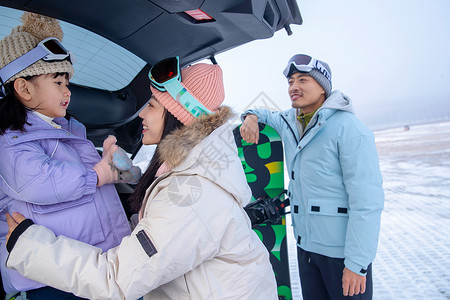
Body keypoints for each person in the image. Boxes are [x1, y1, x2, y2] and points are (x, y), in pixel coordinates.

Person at [5, 57, 279, 299]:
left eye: (151, 106)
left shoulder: (193, 194)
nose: (142, 114)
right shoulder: (185, 173)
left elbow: (117, 281)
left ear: (178, 114)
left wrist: (30, 247)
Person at [0, 12, 141, 299]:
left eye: (68, 83)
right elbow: (38, 180)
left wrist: (120, 167)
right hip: (50, 272)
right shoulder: (9, 138)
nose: (68, 91)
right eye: (58, 82)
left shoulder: (70, 133)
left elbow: (112, 179)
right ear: (24, 88)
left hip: (96, 259)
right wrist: (99, 174)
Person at [239, 54, 385, 299]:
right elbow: (259, 112)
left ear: (323, 88)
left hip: (342, 256)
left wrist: (357, 264)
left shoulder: (349, 129)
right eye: (290, 81)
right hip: (306, 250)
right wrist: (250, 117)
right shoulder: (288, 121)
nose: (294, 87)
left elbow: (367, 202)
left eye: (303, 80)